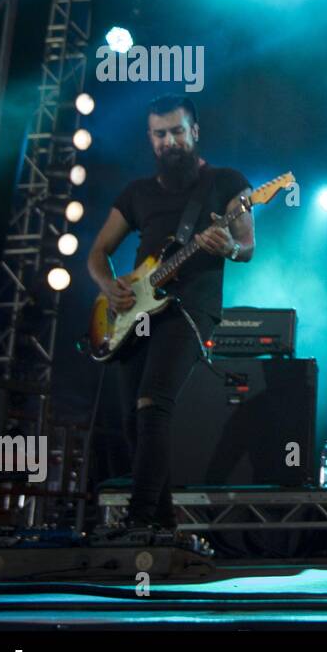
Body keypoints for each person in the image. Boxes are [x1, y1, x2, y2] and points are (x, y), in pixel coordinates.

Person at [87, 95, 254, 535]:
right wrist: (111, 287)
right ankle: (162, 522)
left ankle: (140, 517)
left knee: (153, 402)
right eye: (160, 134)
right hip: (134, 310)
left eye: (177, 131)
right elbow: (98, 253)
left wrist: (230, 248)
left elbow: (247, 247)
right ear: (150, 139)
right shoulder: (137, 193)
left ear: (194, 132)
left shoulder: (227, 182)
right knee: (131, 419)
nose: (170, 141)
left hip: (190, 309)